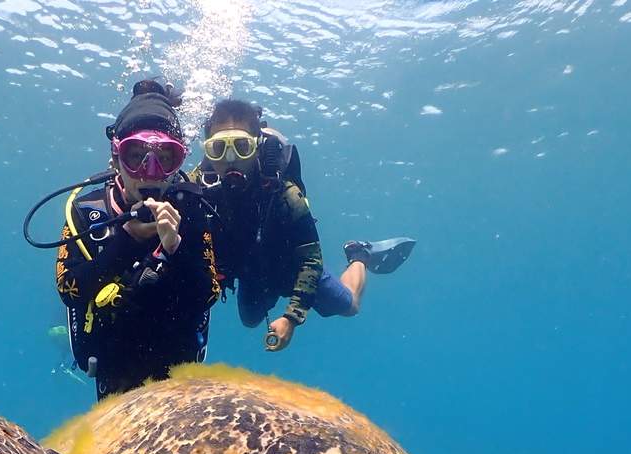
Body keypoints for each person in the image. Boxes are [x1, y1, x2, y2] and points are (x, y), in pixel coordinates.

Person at [193, 98, 415, 352]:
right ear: (207, 152)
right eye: (218, 148)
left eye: (241, 147)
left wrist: (292, 317)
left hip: (293, 268)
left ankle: (359, 255)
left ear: (256, 147)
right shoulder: (199, 189)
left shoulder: (285, 195)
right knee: (250, 320)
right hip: (251, 272)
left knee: (350, 305)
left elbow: (311, 259)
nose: (229, 160)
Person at [55, 80, 219, 399]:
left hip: (176, 365)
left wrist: (176, 248)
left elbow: (209, 293)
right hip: (114, 360)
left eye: (165, 158)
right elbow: (69, 289)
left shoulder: (191, 210)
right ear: (116, 158)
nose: (150, 172)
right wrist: (125, 241)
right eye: (136, 156)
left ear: (179, 163)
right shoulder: (89, 212)